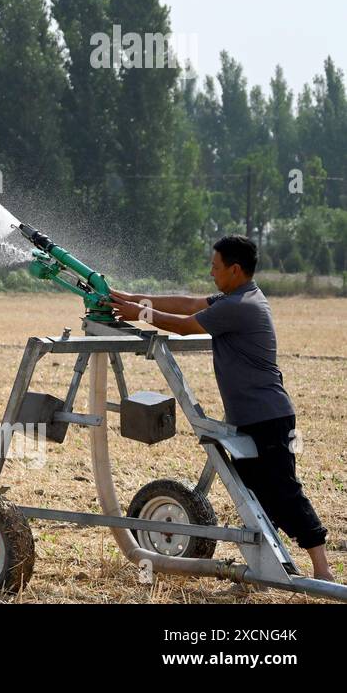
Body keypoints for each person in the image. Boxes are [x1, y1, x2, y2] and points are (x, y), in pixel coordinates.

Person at [106, 235, 333, 582]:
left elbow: (184, 325)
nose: (211, 273)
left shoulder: (239, 306)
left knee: (284, 491)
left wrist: (140, 313)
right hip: (253, 417)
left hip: (268, 417)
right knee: (256, 496)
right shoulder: (237, 297)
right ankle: (267, 571)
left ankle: (323, 571)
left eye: (215, 267)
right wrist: (132, 299)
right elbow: (188, 303)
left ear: (235, 269)